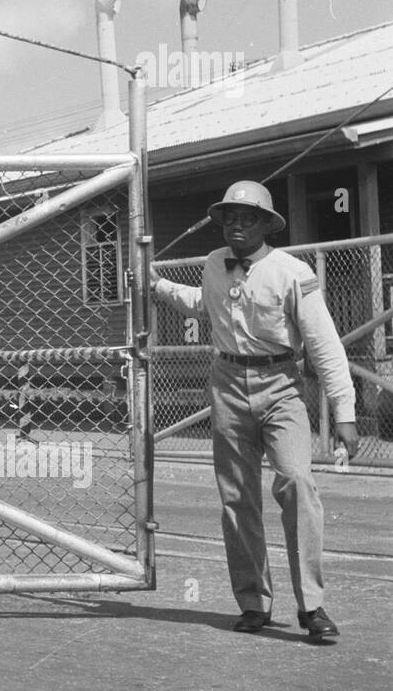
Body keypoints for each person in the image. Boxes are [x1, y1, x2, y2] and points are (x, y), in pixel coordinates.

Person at [151, 180, 358, 639]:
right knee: (237, 496)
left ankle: (312, 607)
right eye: (230, 218)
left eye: (248, 218)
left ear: (267, 225)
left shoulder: (292, 272)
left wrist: (344, 410)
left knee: (297, 482)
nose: (237, 226)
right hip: (227, 385)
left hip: (281, 385)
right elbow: (203, 304)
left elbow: (323, 343)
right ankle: (253, 602)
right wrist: (157, 285)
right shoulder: (213, 263)